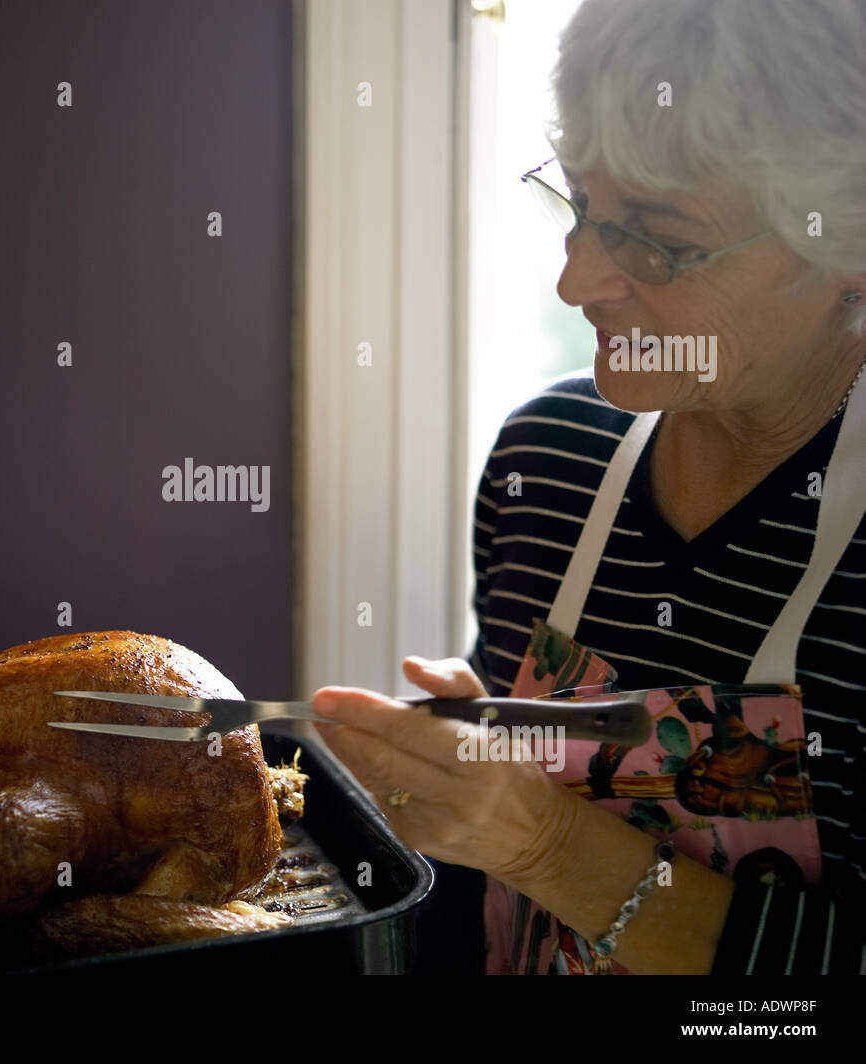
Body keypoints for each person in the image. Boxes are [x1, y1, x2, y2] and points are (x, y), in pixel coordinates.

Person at [311, 0, 865, 975]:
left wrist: (548, 843)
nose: (576, 281)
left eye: (658, 243)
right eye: (577, 206)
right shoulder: (550, 457)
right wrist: (469, 763)